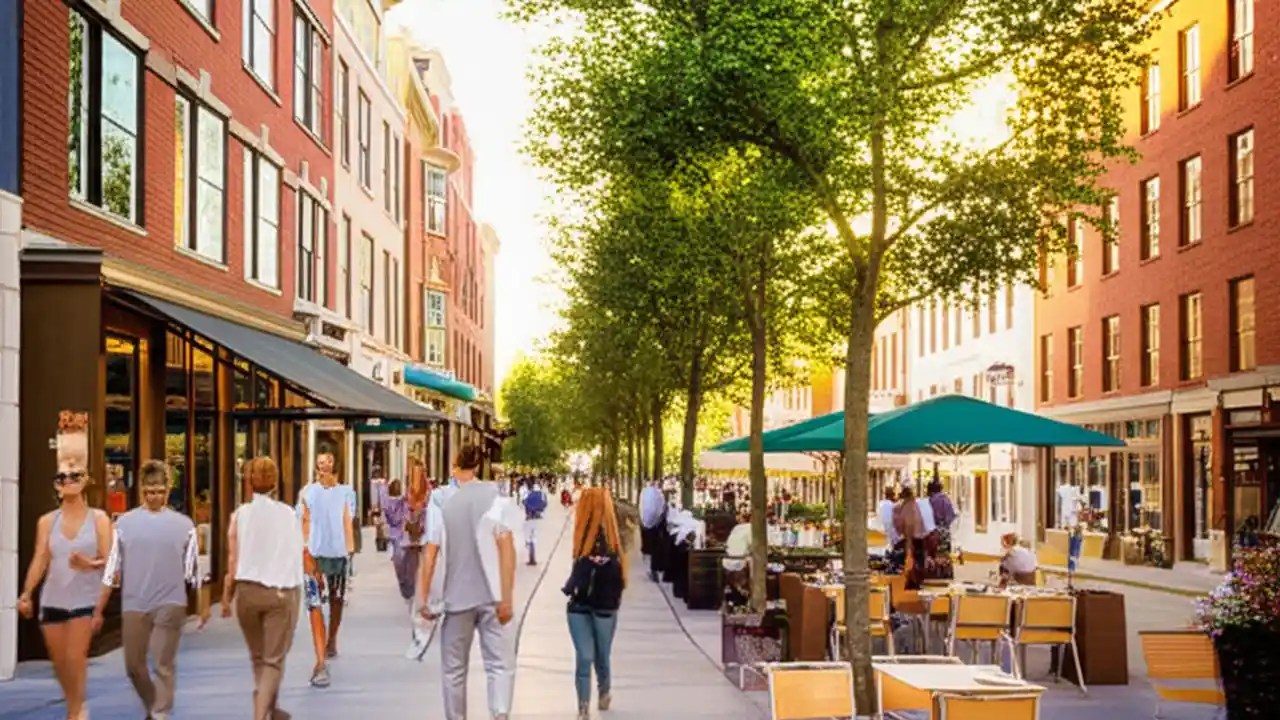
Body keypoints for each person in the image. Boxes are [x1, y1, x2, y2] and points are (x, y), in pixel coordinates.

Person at [418, 444, 522, 720]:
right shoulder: (497, 499)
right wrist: (506, 598)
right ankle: (499, 714)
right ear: (478, 466)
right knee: (499, 664)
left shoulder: (442, 500)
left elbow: (430, 552)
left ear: (455, 465)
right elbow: (507, 549)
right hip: (492, 597)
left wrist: (424, 598)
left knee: (453, 670)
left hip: (456, 599)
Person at [97, 460, 206, 720]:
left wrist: (201, 607)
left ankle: (159, 714)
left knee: (163, 665)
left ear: (168, 489)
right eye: (149, 491)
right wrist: (99, 607)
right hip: (135, 602)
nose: (154, 496)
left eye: (159, 491)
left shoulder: (184, 525)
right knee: (133, 666)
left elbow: (193, 572)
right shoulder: (124, 524)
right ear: (141, 491)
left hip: (171, 603)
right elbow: (113, 567)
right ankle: (153, 704)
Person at [17, 444, 112, 720]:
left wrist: (90, 564)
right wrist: (26, 593)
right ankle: (75, 704)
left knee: (75, 658)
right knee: (59, 663)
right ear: (56, 486)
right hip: (53, 598)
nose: (68, 481)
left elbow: (110, 561)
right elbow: (40, 558)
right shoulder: (47, 521)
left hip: (85, 598)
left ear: (85, 482)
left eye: (74, 476)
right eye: (62, 478)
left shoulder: (99, 519)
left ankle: (76, 711)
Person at [223, 457, 305, 720]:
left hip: (247, 594)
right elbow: (296, 554)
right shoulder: (288, 514)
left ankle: (271, 708)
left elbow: (232, 561)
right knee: (273, 659)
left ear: (249, 482)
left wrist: (226, 598)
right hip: (280, 591)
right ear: (276, 481)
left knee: (259, 658)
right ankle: (260, 715)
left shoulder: (240, 515)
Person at [562, 488, 627, 720]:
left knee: (600, 655)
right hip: (586, 604)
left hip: (598, 603)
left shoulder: (609, 532)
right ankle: (583, 706)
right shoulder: (590, 534)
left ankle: (604, 690)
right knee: (586, 655)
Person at [297, 451, 355, 688]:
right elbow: (302, 522)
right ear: (315, 467)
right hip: (314, 554)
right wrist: (304, 550)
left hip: (338, 553)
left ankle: (332, 638)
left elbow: (349, 521)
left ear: (335, 465)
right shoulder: (307, 492)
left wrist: (350, 552)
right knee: (315, 604)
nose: (324, 466)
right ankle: (320, 659)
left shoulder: (346, 492)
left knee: (337, 599)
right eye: (320, 462)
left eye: (328, 461)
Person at [892, 486, 927, 589]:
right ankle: (916, 582)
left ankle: (911, 582)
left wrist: (908, 542)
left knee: (910, 561)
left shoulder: (906, 507)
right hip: (919, 538)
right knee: (917, 562)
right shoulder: (915, 505)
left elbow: (906, 525)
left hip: (911, 538)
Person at [522, 481, 548, 566]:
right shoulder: (542, 494)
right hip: (539, 517)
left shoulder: (528, 493)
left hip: (529, 517)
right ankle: (533, 558)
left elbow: (523, 502)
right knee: (534, 537)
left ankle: (531, 558)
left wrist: (529, 510)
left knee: (529, 537)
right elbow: (545, 504)